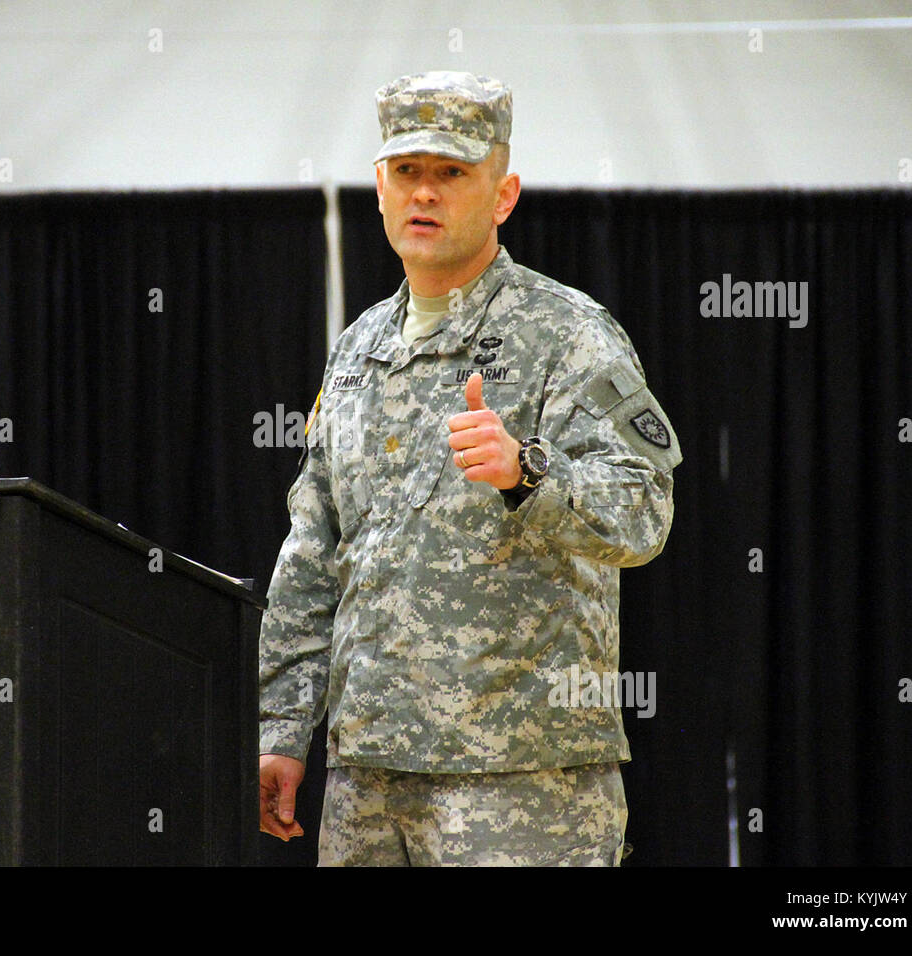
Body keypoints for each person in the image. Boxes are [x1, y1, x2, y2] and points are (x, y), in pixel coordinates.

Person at [258, 71, 682, 866]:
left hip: (523, 783)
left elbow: (645, 509)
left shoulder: (569, 334)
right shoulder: (356, 352)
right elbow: (311, 555)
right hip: (369, 781)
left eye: (451, 173)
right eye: (407, 171)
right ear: (379, 188)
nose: (425, 192)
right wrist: (282, 728)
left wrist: (528, 472)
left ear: (504, 193)